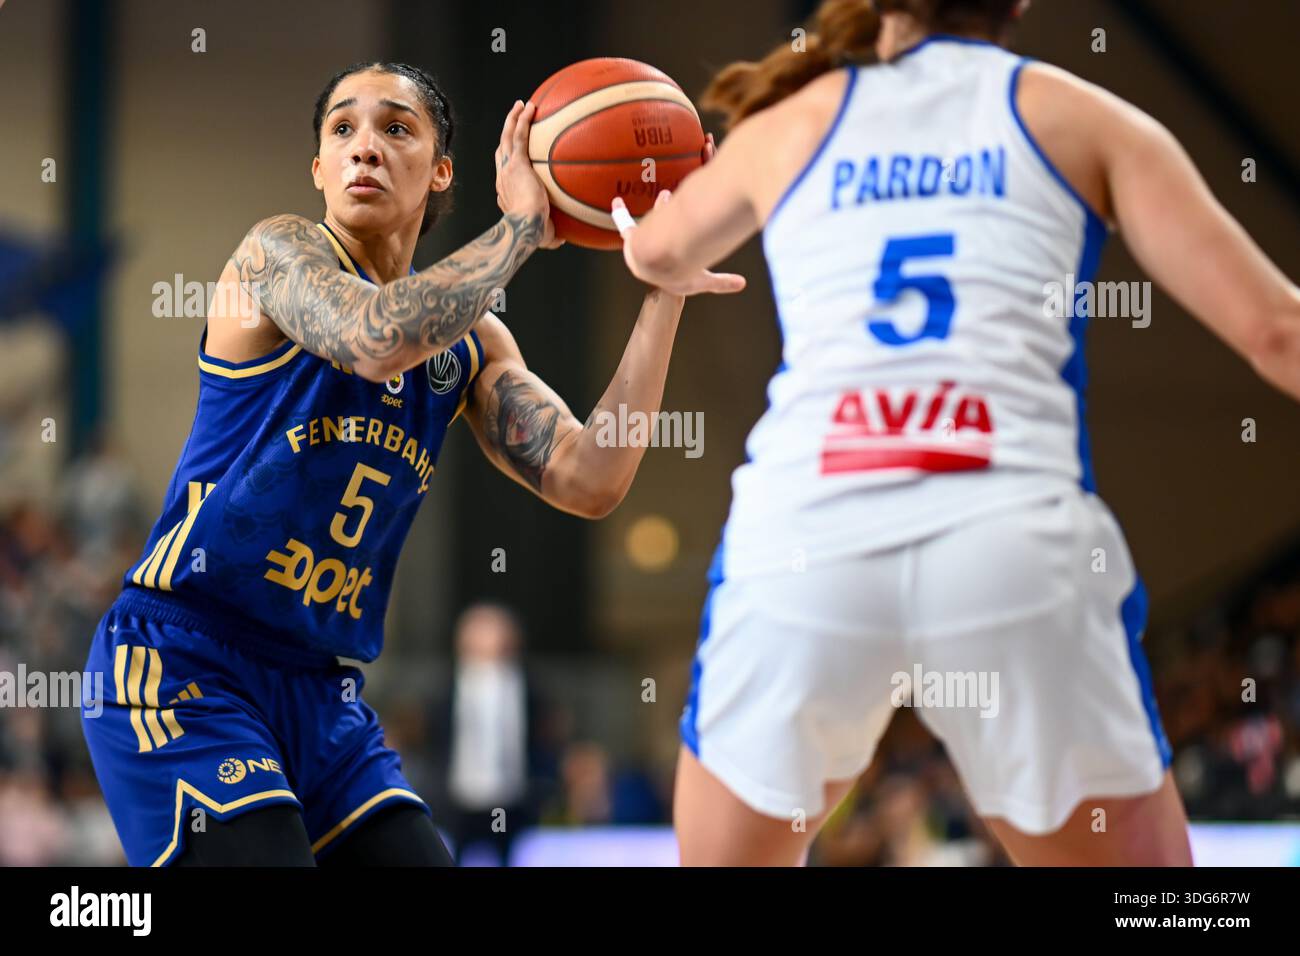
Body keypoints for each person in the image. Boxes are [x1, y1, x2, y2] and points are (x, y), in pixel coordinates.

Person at [614, 0, 1300, 865]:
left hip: (808, 543)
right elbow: (1277, 331)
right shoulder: (1083, 116)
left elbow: (655, 254)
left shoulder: (786, 128)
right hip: (1007, 542)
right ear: (1017, 2)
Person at [80, 60, 736, 866]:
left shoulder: (470, 345)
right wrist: (522, 229)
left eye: (396, 128)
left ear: (441, 170)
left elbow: (589, 477)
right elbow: (374, 339)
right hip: (184, 663)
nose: (365, 149)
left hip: (320, 688)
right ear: (318, 168)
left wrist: (663, 291)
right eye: (342, 130)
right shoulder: (275, 256)